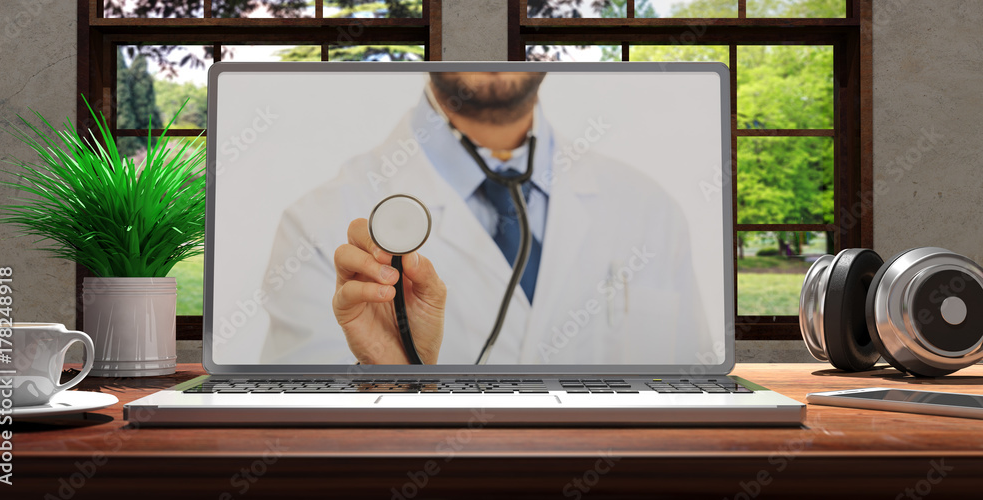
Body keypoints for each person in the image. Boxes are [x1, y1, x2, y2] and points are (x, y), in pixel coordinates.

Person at [259, 72, 712, 365]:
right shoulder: (319, 227)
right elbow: (302, 452)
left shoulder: (650, 209)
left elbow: (693, 415)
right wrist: (394, 384)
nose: (493, 25)